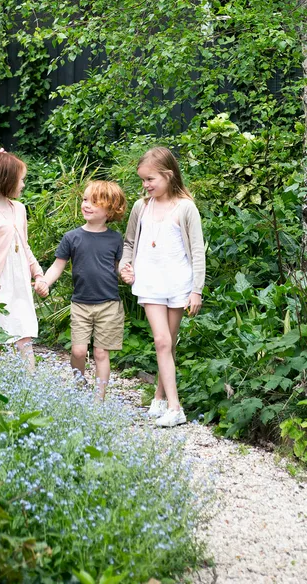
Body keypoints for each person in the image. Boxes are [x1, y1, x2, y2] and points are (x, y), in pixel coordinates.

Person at [119, 146, 205, 427]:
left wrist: (197, 289)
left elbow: (197, 250)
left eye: (150, 179)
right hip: (150, 282)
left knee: (168, 344)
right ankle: (176, 407)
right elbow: (130, 242)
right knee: (162, 341)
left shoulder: (185, 208)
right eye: (143, 180)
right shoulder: (141, 207)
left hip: (179, 283)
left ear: (168, 175)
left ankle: (159, 397)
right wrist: (125, 265)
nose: (145, 185)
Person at [43, 180, 127, 398]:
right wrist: (44, 281)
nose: (86, 205)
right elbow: (57, 266)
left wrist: (128, 274)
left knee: (101, 352)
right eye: (85, 199)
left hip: (109, 304)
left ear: (110, 209)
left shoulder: (115, 239)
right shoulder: (72, 237)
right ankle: (80, 384)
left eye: (94, 202)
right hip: (80, 303)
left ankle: (99, 399)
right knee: (78, 351)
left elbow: (120, 269)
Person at [0, 148, 49, 370]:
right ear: (6, 180)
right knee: (0, 337)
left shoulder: (20, 209)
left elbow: (24, 247)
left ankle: (30, 385)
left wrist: (38, 273)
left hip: (20, 283)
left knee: (24, 334)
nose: (23, 185)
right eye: (21, 180)